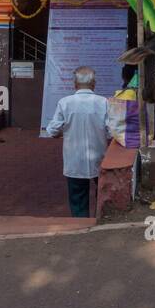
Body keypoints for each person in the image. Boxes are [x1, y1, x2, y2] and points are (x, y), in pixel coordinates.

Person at [46, 66, 117, 217]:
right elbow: (112, 131)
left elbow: (52, 131)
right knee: (103, 192)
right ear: (94, 84)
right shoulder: (103, 102)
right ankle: (103, 219)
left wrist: (60, 132)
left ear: (75, 84)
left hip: (74, 159)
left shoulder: (64, 103)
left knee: (77, 197)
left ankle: (80, 225)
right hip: (99, 157)